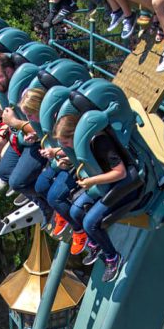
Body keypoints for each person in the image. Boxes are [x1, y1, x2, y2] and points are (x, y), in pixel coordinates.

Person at [57, 114, 136, 283]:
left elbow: (120, 172)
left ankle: (113, 257)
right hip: (104, 185)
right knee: (75, 211)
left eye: (65, 143)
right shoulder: (83, 147)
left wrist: (92, 181)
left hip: (124, 184)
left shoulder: (100, 142)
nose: (64, 147)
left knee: (89, 223)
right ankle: (96, 242)